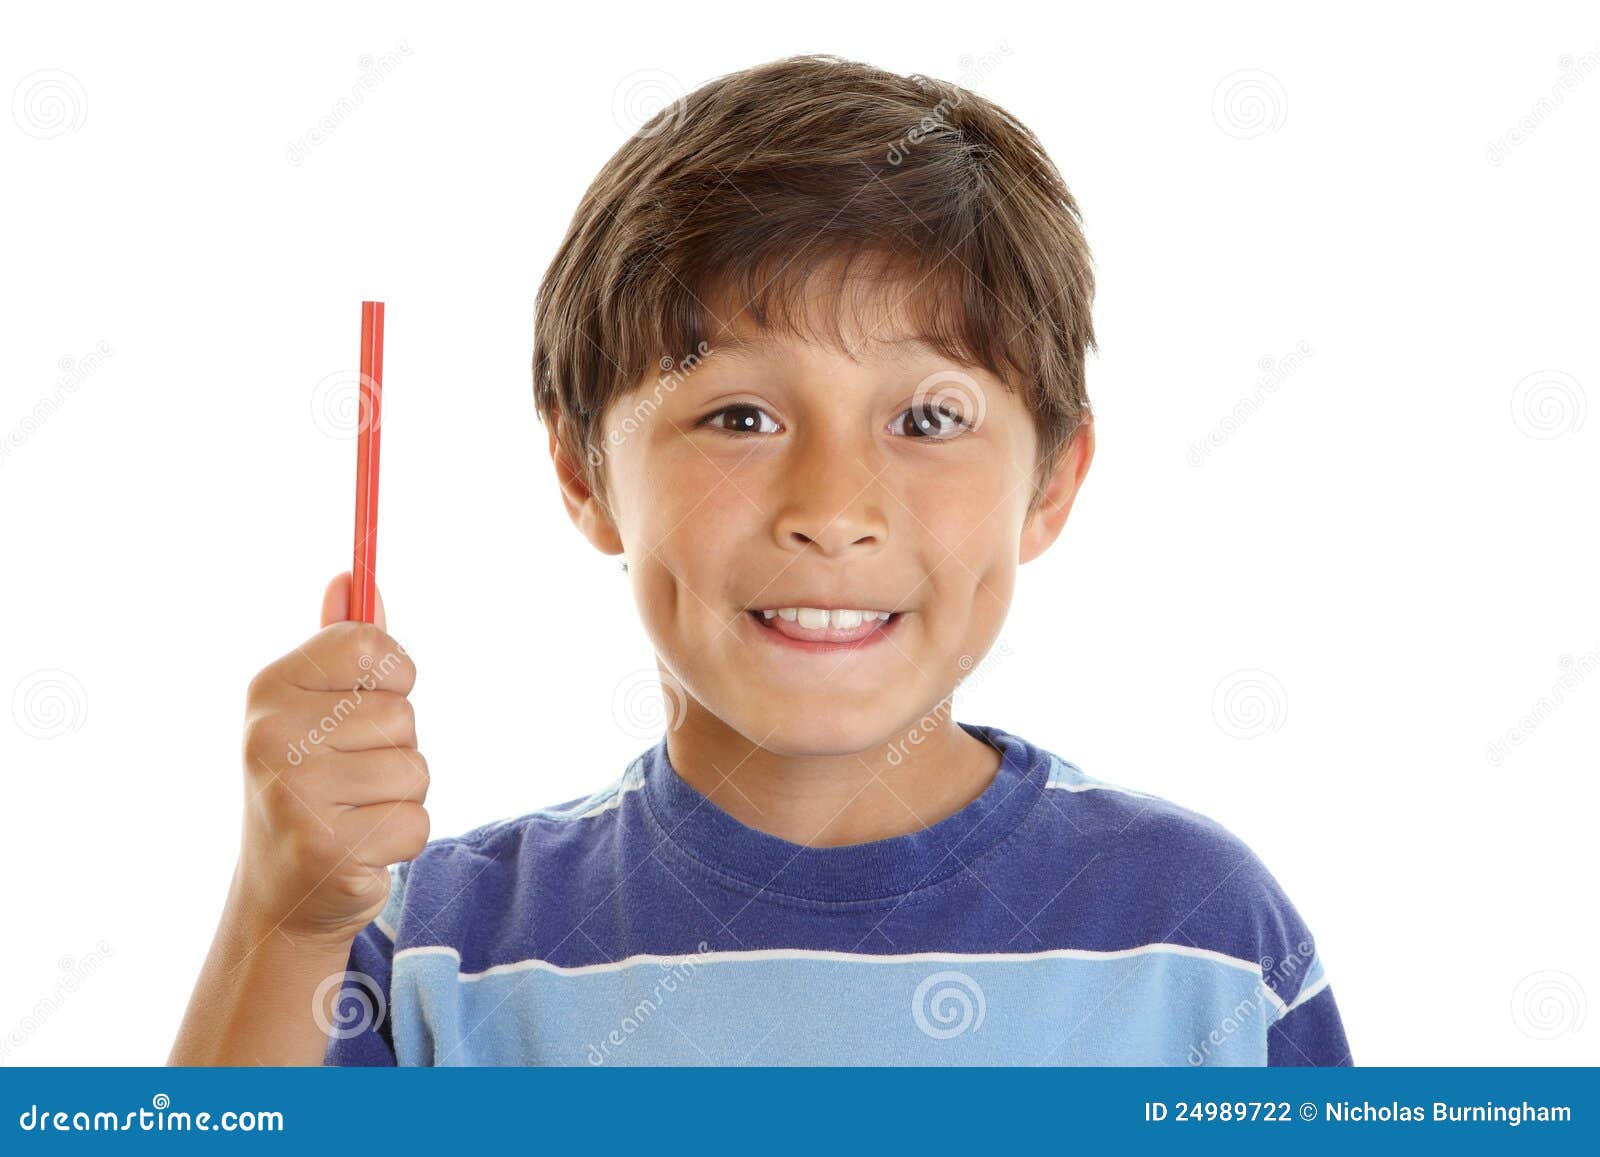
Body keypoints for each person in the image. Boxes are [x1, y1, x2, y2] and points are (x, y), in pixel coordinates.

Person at [170, 53, 1350, 1067]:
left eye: (927, 419)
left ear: (1050, 483)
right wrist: (280, 923)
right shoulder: (434, 951)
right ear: (585, 475)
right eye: (738, 416)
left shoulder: (1203, 938)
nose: (832, 510)